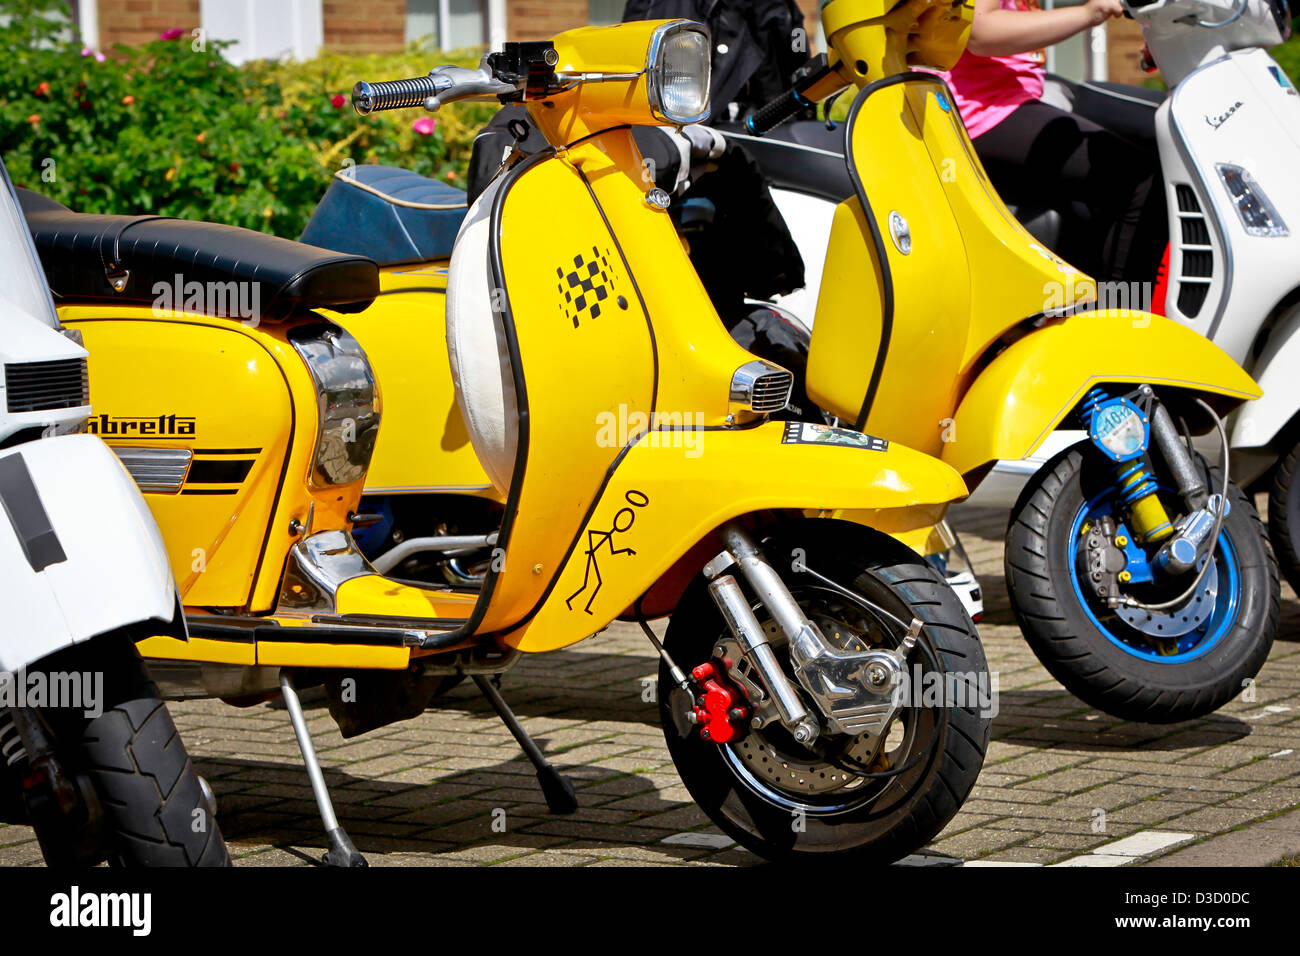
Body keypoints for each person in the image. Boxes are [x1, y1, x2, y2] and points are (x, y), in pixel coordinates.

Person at [944, 0, 1167, 283]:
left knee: (1156, 137)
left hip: (1014, 98)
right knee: (1136, 178)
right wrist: (1090, 13)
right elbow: (979, 30)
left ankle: (1090, 297)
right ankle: (1124, 307)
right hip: (978, 112)